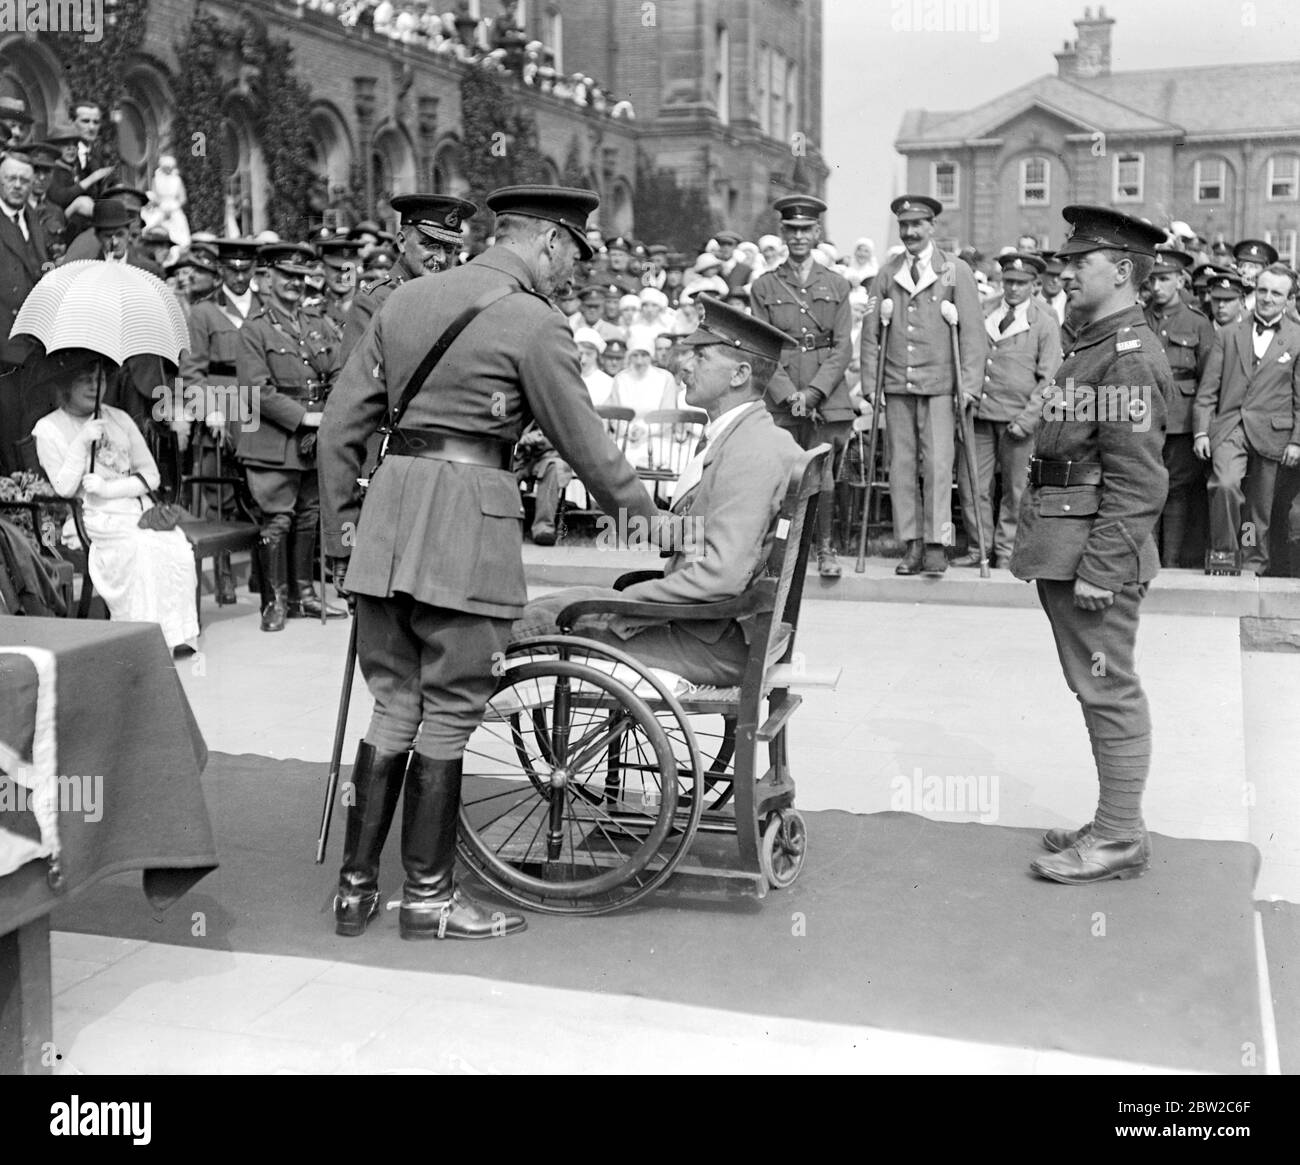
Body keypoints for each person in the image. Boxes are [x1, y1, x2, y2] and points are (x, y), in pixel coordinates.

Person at [318, 184, 665, 942]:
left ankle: (355, 891)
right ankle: (431, 899)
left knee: (392, 702)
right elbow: (587, 446)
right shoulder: (533, 322)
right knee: (450, 705)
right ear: (546, 242)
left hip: (386, 524)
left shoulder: (401, 304)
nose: (572, 272)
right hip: (466, 527)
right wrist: (651, 524)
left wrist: (344, 535)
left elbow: (340, 428)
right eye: (572, 253)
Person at [513, 296, 802, 685]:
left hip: (705, 641)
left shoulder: (751, 452)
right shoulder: (749, 437)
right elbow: (706, 533)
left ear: (739, 375)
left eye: (700, 357)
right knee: (555, 604)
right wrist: (627, 509)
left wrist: (626, 605)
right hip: (708, 628)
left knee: (533, 622)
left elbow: (722, 574)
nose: (683, 365)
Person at [1010, 204, 1170, 885]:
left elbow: (1137, 479)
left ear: (1124, 270)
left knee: (1109, 690)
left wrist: (1103, 568)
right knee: (1094, 686)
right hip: (1068, 541)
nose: (1067, 270)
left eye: (1082, 261)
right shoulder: (1096, 342)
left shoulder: (1128, 356)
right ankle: (1113, 822)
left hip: (1093, 555)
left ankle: (1120, 837)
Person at [32, 350, 199, 651]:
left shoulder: (118, 418)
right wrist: (82, 442)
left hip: (133, 510)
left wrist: (110, 489)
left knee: (176, 549)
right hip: (90, 518)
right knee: (141, 549)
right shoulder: (48, 428)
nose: (95, 387)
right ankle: (142, 640)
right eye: (84, 381)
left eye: (99, 379)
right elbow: (64, 488)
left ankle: (176, 635)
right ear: (65, 386)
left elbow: (151, 476)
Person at [859, 195, 986, 576]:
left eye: (918, 225)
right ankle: (912, 544)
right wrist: (870, 383)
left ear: (932, 227)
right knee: (900, 467)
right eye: (904, 225)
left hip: (941, 386)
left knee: (937, 466)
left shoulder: (953, 270)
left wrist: (970, 385)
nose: (911, 232)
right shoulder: (886, 272)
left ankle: (937, 544)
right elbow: (869, 334)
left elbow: (974, 334)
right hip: (897, 383)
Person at [237, 242, 343, 630]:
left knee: (308, 517)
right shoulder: (255, 329)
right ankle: (275, 601)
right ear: (268, 279)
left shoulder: (317, 324)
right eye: (287, 277)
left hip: (313, 439)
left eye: (300, 278)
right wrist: (305, 419)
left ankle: (305, 595)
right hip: (273, 439)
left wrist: (329, 412)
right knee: (278, 520)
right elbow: (256, 390)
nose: (295, 284)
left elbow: (335, 370)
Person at [748, 195, 854, 578]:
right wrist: (787, 393)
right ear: (782, 233)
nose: (798, 237)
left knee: (822, 474)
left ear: (817, 232)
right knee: (782, 474)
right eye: (791, 230)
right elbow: (761, 345)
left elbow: (843, 347)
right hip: (782, 396)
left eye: (805, 230)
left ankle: (825, 548)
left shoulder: (837, 284)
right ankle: (780, 552)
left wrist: (813, 393)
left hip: (825, 396)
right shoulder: (764, 286)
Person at [955, 252, 1061, 569]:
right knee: (973, 484)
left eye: (1021, 283)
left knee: (1016, 491)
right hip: (979, 414)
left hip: (1018, 419)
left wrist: (1028, 419)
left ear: (1035, 285)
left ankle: (1006, 551)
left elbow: (1050, 377)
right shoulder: (985, 309)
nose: (1013, 289)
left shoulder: (1044, 319)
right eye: (1009, 282)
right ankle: (979, 548)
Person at [1194, 263, 1300, 576]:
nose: (1267, 298)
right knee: (1225, 485)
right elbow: (1208, 389)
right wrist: (1201, 432)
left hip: (1273, 434)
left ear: (1289, 298)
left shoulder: (1297, 338)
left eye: (1276, 293)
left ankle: (1252, 560)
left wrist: (1296, 440)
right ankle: (1225, 553)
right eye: (1263, 290)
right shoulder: (1229, 333)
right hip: (1230, 427)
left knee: (1257, 508)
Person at [1144, 247, 1216, 568]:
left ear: (1180, 280)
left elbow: (1208, 379)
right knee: (1144, 487)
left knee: (1176, 491)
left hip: (1180, 418)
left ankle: (1170, 563)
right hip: (1140, 415)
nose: (1157, 287)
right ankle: (1147, 563)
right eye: (1153, 280)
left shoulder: (1197, 322)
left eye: (1164, 279)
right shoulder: (1138, 316)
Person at [340, 193, 475, 363]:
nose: (440, 258)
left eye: (448, 249)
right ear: (402, 242)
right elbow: (354, 380)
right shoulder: (374, 301)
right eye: (429, 245)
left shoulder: (455, 300)